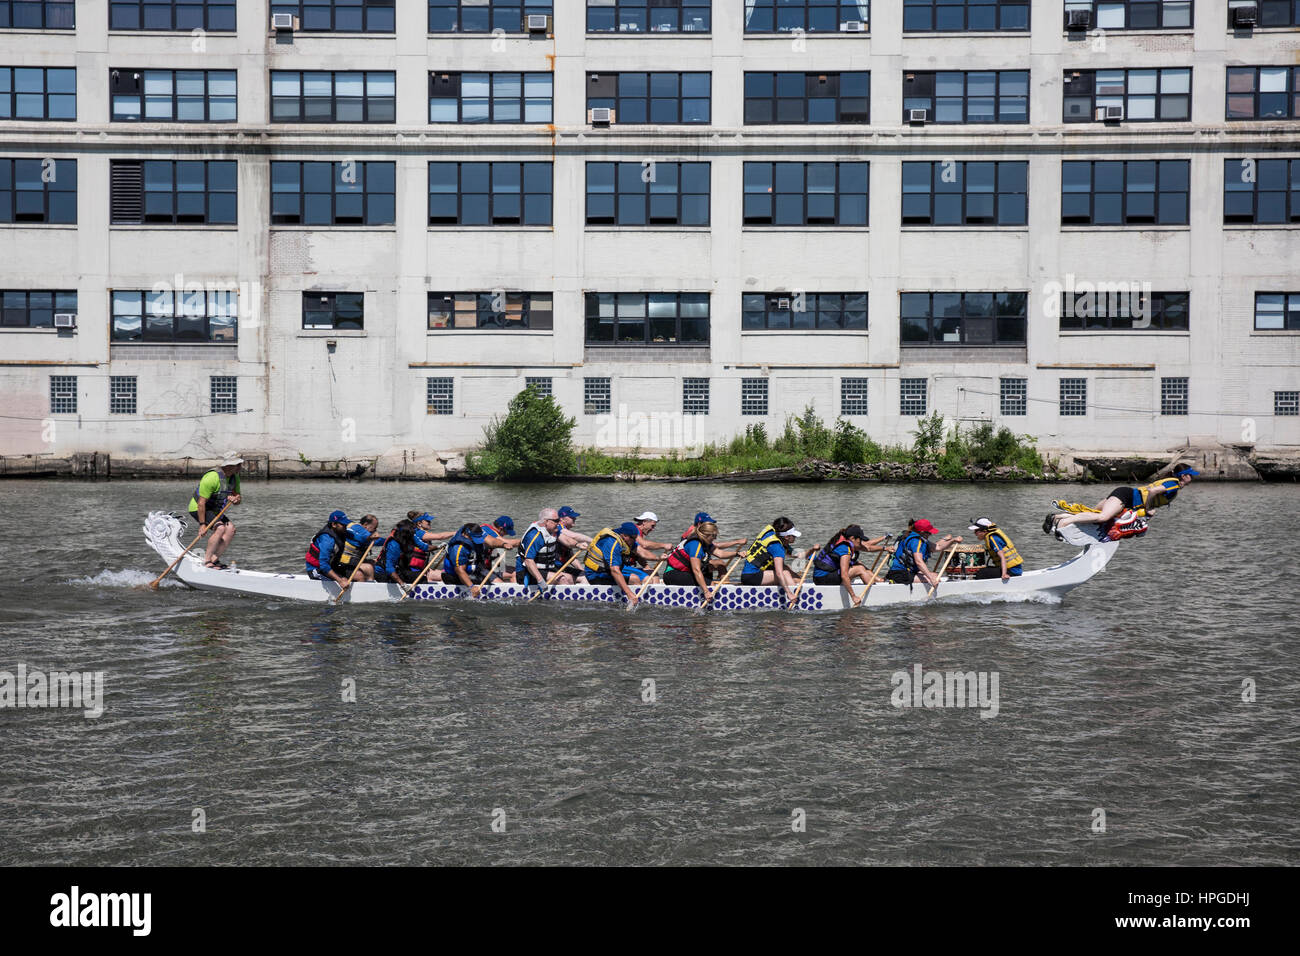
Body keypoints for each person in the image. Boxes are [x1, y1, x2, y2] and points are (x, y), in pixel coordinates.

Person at [1049, 466, 1199, 534]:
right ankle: (1065, 523)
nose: (1192, 477)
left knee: (1094, 517)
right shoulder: (1173, 486)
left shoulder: (1172, 483)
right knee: (1102, 517)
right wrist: (1148, 508)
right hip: (1125, 496)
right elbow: (1153, 491)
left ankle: (1058, 518)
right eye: (1190, 475)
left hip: (1126, 499)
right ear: (1184, 476)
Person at [188, 451, 243, 569]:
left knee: (230, 529)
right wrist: (202, 525)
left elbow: (238, 499)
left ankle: (214, 559)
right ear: (229, 465)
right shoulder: (212, 477)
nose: (240, 467)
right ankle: (207, 561)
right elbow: (201, 503)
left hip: (214, 509)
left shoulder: (235, 478)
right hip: (198, 508)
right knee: (220, 528)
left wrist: (235, 499)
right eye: (238, 465)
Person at [662, 521, 744, 595]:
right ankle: (711, 596)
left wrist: (737, 554)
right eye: (714, 536)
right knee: (710, 584)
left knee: (719, 565)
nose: (715, 538)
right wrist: (706, 591)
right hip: (673, 574)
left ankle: (725, 590)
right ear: (706, 535)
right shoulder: (695, 545)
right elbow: (696, 570)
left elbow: (721, 554)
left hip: (686, 571)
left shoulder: (705, 542)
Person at [810, 524, 889, 600]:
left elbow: (867, 547)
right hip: (823, 579)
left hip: (821, 576)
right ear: (852, 538)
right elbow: (844, 575)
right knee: (859, 569)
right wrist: (853, 596)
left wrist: (884, 548)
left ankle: (877, 581)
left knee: (858, 564)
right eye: (860, 540)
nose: (861, 542)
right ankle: (875, 593)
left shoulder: (844, 539)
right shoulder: (844, 548)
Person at [884, 518, 962, 588]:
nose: (930, 534)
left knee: (935, 575)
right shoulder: (916, 541)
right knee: (935, 577)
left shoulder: (915, 537)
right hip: (901, 574)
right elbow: (919, 562)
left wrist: (952, 541)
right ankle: (896, 582)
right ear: (922, 532)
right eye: (929, 533)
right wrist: (931, 579)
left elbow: (938, 547)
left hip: (904, 572)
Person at [581, 522, 644, 605]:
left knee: (638, 577)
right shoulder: (612, 543)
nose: (635, 540)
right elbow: (614, 570)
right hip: (595, 575)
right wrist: (628, 593)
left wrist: (658, 558)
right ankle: (633, 601)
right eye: (633, 538)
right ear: (625, 535)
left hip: (606, 572)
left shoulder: (625, 539)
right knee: (634, 579)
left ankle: (633, 600)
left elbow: (643, 552)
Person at [740, 517, 800, 602]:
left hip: (753, 572)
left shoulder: (772, 532)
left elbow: (793, 553)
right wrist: (788, 593)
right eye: (793, 535)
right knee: (785, 573)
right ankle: (793, 596)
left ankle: (798, 585)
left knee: (787, 568)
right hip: (751, 576)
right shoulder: (777, 547)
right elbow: (779, 573)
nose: (795, 537)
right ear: (786, 537)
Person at [516, 508, 574, 588]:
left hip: (544, 569)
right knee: (562, 579)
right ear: (546, 521)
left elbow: (568, 541)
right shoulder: (535, 536)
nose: (559, 523)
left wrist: (579, 545)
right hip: (527, 572)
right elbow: (529, 561)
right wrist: (540, 581)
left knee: (569, 578)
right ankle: (565, 600)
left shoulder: (552, 530)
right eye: (556, 520)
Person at [678, 511, 747, 574]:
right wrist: (737, 542)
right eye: (708, 523)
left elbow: (719, 552)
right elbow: (716, 546)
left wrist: (737, 554)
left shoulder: (702, 535)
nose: (711, 525)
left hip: (700, 561)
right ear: (699, 524)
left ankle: (724, 585)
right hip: (689, 566)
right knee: (720, 564)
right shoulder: (692, 536)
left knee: (719, 564)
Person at [304, 510, 356, 592]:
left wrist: (374, 538)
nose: (345, 526)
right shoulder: (327, 541)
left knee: (359, 575)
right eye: (343, 524)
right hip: (317, 570)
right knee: (342, 581)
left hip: (332, 566)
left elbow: (359, 538)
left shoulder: (341, 531)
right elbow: (324, 566)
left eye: (346, 524)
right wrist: (340, 580)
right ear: (334, 524)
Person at [442, 522, 492, 596]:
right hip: (454, 576)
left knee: (487, 581)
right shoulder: (458, 548)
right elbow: (460, 571)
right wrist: (472, 587)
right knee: (484, 583)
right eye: (474, 538)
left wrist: (503, 544)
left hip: (468, 573)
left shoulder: (470, 537)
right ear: (466, 534)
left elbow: (493, 541)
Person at [334, 514, 380, 583]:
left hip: (354, 560)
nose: (375, 530)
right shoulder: (358, 530)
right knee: (369, 568)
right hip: (345, 563)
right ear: (365, 524)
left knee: (375, 563)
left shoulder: (363, 532)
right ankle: (369, 589)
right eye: (374, 528)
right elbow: (372, 540)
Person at [480, 515, 520, 583]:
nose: (505, 535)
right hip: (480, 569)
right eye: (506, 532)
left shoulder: (486, 527)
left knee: (516, 573)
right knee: (501, 584)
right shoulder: (490, 532)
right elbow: (509, 543)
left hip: (490, 566)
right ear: (501, 529)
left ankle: (517, 592)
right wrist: (528, 540)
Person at [555, 506, 591, 580]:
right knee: (582, 577)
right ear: (562, 518)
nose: (575, 519)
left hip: (560, 566)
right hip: (553, 567)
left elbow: (571, 558)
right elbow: (574, 536)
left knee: (584, 575)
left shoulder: (564, 530)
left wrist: (582, 571)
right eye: (571, 517)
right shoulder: (557, 528)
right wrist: (594, 541)